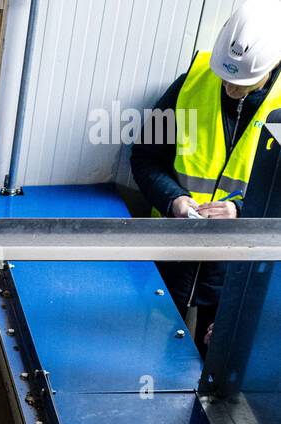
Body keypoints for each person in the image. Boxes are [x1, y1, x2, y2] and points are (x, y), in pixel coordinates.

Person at [131, 0, 281, 352]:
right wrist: (173, 200)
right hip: (169, 259)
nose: (230, 88)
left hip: (238, 277)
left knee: (215, 367)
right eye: (226, 78)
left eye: (241, 81)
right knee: (151, 357)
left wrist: (242, 212)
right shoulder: (192, 84)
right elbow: (145, 157)